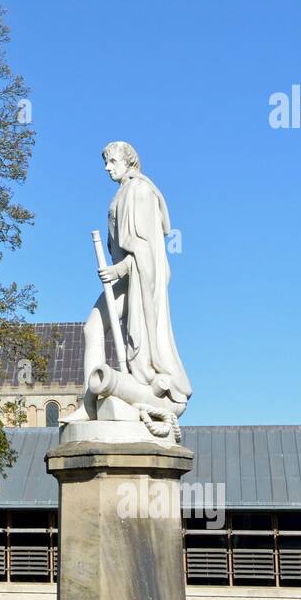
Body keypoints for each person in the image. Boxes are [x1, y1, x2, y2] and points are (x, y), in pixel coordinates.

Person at [69, 141, 191, 422]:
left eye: (112, 162)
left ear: (129, 162)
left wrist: (119, 269)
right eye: (106, 162)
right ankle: (90, 404)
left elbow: (145, 249)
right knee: (92, 328)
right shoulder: (124, 191)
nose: (106, 167)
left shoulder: (139, 190)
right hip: (126, 276)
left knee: (99, 329)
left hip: (135, 277)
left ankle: (102, 398)